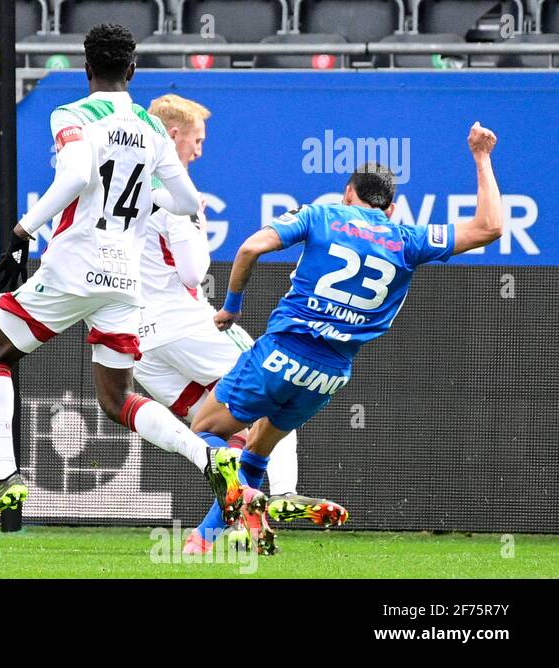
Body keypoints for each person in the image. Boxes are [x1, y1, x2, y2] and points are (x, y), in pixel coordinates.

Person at [0, 24, 233, 531]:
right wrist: (146, 192)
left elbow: (77, 175)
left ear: (86, 69)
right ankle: (208, 458)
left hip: (74, 263)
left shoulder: (73, 114)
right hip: (124, 276)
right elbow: (188, 202)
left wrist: (23, 230)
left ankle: (5, 476)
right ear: (132, 71)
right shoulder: (152, 131)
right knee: (115, 400)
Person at [186, 123, 502, 553]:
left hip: (283, 351)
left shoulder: (323, 215)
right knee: (258, 449)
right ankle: (202, 543)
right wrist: (482, 157)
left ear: (347, 193)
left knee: (202, 430)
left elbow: (248, 249)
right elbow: (490, 227)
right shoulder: (407, 239)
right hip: (330, 373)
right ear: (390, 209)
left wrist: (232, 306)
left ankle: (245, 499)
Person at [129, 93, 325, 556]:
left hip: (139, 346)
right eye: (196, 140)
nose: (199, 150)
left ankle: (212, 535)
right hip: (184, 324)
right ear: (172, 136)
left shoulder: (126, 184)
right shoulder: (175, 193)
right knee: (281, 397)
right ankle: (279, 497)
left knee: (212, 427)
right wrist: (194, 220)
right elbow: (195, 274)